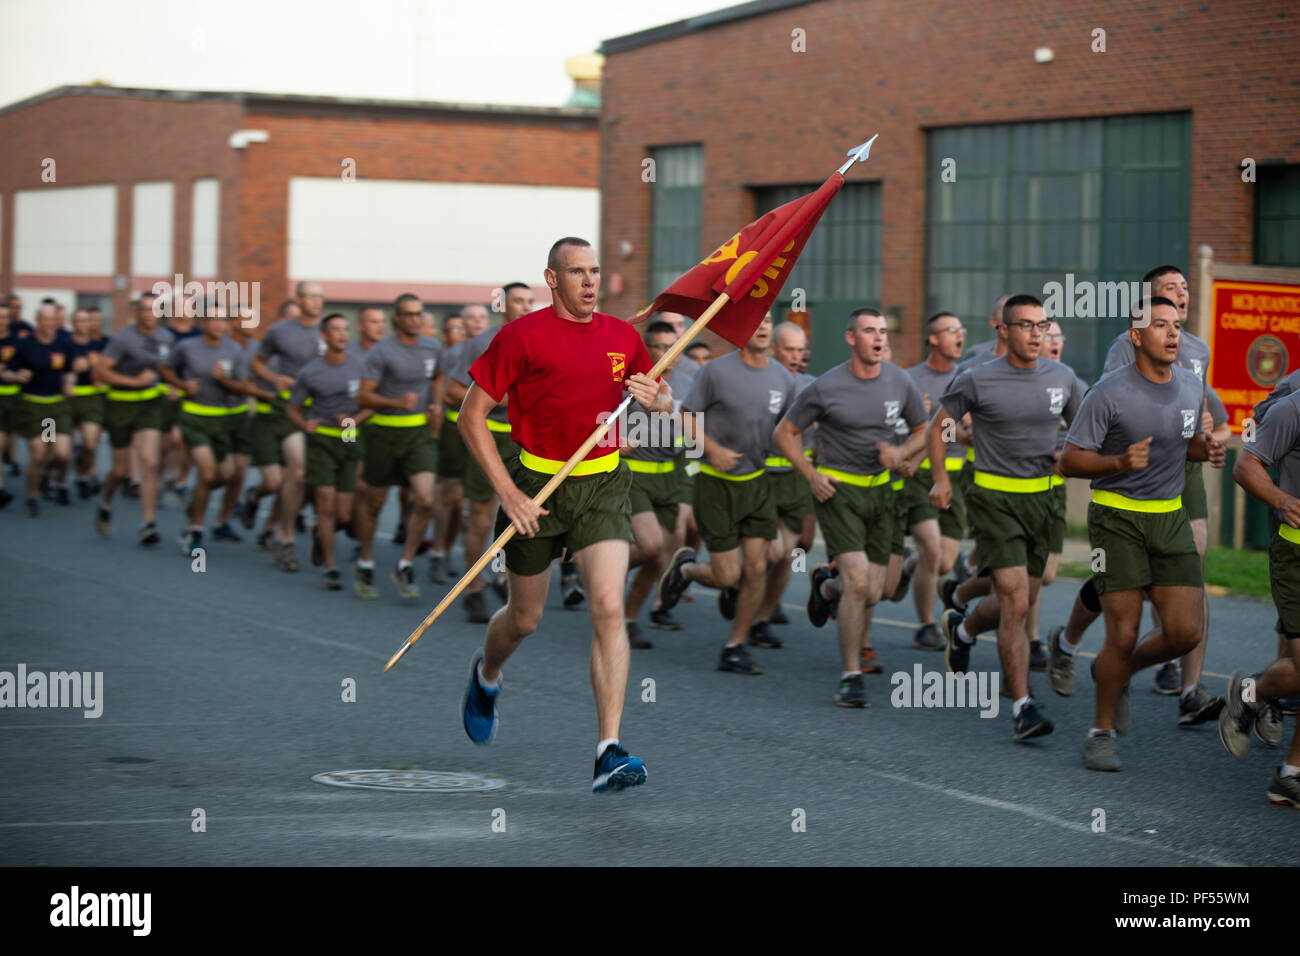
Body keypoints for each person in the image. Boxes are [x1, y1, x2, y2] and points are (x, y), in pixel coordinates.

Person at [458, 236, 669, 792]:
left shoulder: (624, 337)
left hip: (602, 481)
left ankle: (608, 750)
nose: (590, 282)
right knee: (525, 619)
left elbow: (660, 395)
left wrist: (659, 401)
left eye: (595, 271)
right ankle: (487, 674)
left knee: (607, 606)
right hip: (535, 484)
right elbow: (470, 416)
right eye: (577, 272)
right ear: (552, 280)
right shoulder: (521, 336)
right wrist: (508, 493)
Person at [1047, 265, 1229, 725]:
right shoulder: (1109, 389)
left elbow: (1188, 439)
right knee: (1123, 632)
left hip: (1169, 512)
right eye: (1160, 325)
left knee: (1185, 631)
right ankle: (1101, 730)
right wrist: (1118, 462)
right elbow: (1070, 462)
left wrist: (1204, 448)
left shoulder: (1193, 384)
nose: (1173, 335)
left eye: (1176, 327)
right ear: (1135, 335)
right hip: (1116, 516)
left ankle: (1115, 671)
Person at [928, 294, 1085, 741]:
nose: (1037, 334)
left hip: (1045, 502)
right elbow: (938, 425)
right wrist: (941, 477)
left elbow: (1084, 427)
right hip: (994, 498)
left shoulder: (1063, 377)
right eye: (1026, 326)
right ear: (1003, 331)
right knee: (1015, 600)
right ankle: (1022, 705)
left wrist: (1070, 452)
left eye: (1043, 325)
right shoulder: (978, 378)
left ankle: (965, 626)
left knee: (1024, 598)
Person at [771, 307, 928, 706]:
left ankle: (826, 584)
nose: (879, 338)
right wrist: (810, 474)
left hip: (884, 494)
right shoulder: (827, 386)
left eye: (882, 332)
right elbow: (785, 433)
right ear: (851, 338)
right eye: (870, 331)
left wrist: (901, 453)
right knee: (858, 582)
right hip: (839, 491)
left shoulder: (900, 380)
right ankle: (850, 676)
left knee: (879, 591)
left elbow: (923, 429)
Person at [657, 314, 796, 674]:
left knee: (756, 569)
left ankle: (734, 645)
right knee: (727, 577)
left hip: (758, 485)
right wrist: (714, 450)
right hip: (715, 484)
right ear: (741, 328)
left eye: (768, 320)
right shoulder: (715, 372)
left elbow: (791, 427)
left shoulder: (783, 377)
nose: (763, 326)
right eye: (756, 320)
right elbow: (685, 416)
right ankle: (687, 570)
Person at [1224, 386, 1300, 805]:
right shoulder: (1292, 407)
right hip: (1296, 551)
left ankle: (1290, 775)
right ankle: (1249, 693)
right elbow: (1245, 466)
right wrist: (1281, 498)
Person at [444, 283, 534, 621]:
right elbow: (453, 392)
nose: (525, 307)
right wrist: (506, 398)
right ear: (502, 306)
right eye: (518, 302)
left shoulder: (538, 337)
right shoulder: (482, 343)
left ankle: (504, 577)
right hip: (489, 435)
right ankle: (473, 590)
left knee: (525, 514)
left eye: (530, 301)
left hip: (527, 439)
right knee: (481, 515)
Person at [353, 293, 440, 599]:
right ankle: (365, 562)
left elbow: (439, 377)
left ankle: (404, 564)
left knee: (426, 500)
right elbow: (362, 397)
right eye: (409, 314)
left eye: (419, 313)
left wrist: (437, 406)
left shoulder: (432, 347)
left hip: (418, 435)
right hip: (384, 433)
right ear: (397, 319)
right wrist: (395, 402)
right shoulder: (381, 351)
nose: (416, 319)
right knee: (375, 504)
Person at [898, 312, 969, 651]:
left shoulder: (969, 379)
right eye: (952, 330)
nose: (960, 336)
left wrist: (950, 429)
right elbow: (898, 426)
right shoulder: (910, 379)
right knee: (932, 548)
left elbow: (971, 431)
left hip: (958, 476)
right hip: (921, 473)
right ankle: (925, 625)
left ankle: (906, 567)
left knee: (942, 562)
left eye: (962, 331)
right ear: (933, 338)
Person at [246, 285, 328, 570]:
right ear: (299, 299)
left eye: (320, 297)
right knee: (300, 470)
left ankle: (320, 529)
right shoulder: (280, 331)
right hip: (288, 409)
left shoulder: (330, 331)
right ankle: (286, 537)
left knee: (313, 477)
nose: (316, 302)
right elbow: (256, 363)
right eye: (310, 296)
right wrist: (274, 377)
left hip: (322, 409)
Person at [287, 313, 371, 590]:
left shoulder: (361, 366)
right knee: (325, 506)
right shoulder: (310, 371)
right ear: (324, 336)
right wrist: (304, 425)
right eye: (335, 329)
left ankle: (318, 536)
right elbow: (293, 409)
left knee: (344, 514)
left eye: (345, 329)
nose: (342, 334)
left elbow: (371, 404)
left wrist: (354, 420)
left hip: (349, 439)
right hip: (321, 440)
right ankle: (331, 568)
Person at [621, 320, 688, 650]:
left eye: (672, 346)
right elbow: (600, 425)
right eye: (659, 347)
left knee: (661, 557)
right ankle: (601, 569)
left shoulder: (691, 383)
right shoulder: (632, 384)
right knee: (650, 544)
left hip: (671, 476)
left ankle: (628, 620)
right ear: (646, 350)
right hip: (635, 474)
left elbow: (696, 433)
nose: (666, 353)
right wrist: (617, 441)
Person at [749, 321, 818, 639]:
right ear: (774, 348)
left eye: (800, 350)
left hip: (794, 478)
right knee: (771, 553)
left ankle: (762, 618)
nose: (795, 355)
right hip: (759, 476)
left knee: (790, 553)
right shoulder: (755, 380)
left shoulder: (812, 386)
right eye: (789, 349)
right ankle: (739, 590)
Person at [160, 304, 247, 553]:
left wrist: (224, 380)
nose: (220, 325)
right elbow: (165, 369)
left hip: (222, 420)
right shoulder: (187, 347)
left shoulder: (234, 350)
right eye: (214, 319)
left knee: (226, 475)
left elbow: (242, 386)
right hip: (194, 417)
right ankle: (195, 529)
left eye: (224, 320)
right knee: (208, 474)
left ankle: (196, 502)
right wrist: (182, 384)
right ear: (204, 322)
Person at [93, 293, 172, 543]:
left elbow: (163, 370)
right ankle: (105, 502)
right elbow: (100, 372)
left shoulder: (165, 338)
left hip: (149, 406)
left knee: (150, 462)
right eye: (145, 309)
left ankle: (147, 524)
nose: (150, 314)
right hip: (121, 405)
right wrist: (133, 382)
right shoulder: (123, 338)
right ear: (138, 312)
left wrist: (171, 385)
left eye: (154, 309)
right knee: (118, 471)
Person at [430, 303, 490, 583]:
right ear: (462, 324)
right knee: (451, 496)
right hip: (456, 426)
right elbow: (444, 390)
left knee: (477, 502)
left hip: (487, 429)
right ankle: (439, 553)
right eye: (471, 318)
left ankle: (472, 560)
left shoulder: (491, 345)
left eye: (482, 317)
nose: (477, 322)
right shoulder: (453, 353)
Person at [3, 304, 74, 514]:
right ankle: (33, 495)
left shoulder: (62, 344)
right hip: (33, 407)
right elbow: (7, 372)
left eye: (54, 319)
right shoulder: (25, 345)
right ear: (38, 320)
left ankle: (53, 480)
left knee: (61, 453)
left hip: (55, 406)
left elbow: (69, 371)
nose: (50, 323)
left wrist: (69, 381)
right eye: (46, 319)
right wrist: (16, 376)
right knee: (39, 453)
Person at [67, 308, 108, 500]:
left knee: (90, 444)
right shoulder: (63, 344)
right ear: (73, 323)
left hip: (92, 400)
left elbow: (108, 369)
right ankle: (51, 477)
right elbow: (50, 370)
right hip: (61, 403)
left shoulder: (100, 346)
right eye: (79, 321)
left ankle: (83, 475)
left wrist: (102, 379)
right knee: (51, 449)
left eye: (87, 321)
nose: (83, 325)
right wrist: (71, 373)